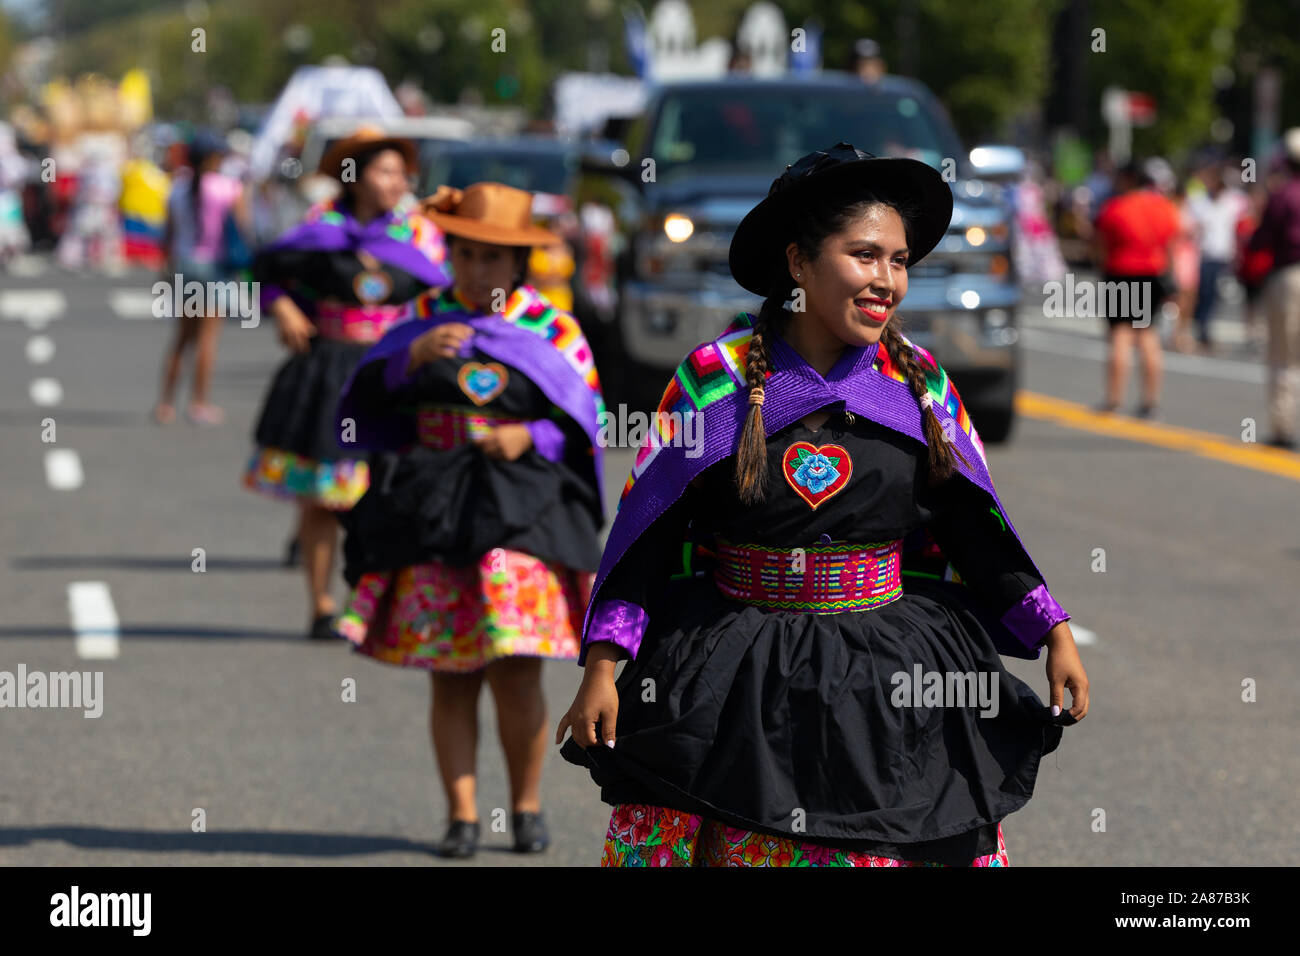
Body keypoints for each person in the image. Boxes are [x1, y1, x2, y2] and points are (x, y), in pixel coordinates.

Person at [557, 143, 1089, 867]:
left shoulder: (918, 383)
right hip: (738, 671)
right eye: (865, 255)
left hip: (886, 672)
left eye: (900, 261)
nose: (888, 281)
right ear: (799, 263)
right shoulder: (714, 380)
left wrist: (1050, 627)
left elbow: (974, 528)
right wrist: (602, 667)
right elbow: (650, 532)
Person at [332, 181, 607, 858]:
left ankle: (526, 805)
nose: (478, 271)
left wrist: (530, 438)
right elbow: (363, 403)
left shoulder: (554, 330)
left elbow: (587, 424)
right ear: (449, 254)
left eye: (494, 259)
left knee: (515, 664)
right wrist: (410, 361)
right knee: (450, 668)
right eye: (466, 255)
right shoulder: (418, 318)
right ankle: (459, 816)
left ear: (518, 266)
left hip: (521, 510)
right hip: (434, 506)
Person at [242, 127, 452, 639]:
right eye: (385, 171)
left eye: (402, 173)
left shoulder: (413, 238)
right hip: (330, 369)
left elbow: (448, 288)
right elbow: (266, 270)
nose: (397, 181)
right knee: (321, 496)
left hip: (391, 373)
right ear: (354, 179)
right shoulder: (321, 231)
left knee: (379, 494)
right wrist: (284, 307)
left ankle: (370, 603)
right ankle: (320, 603)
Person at [154, 132, 249, 426]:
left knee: (181, 339)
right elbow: (243, 231)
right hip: (215, 267)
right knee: (207, 340)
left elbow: (168, 236)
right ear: (213, 158)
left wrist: (166, 271)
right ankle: (199, 403)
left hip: (185, 265)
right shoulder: (229, 188)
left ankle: (166, 404)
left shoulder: (178, 189)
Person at [1092, 160, 1180, 418]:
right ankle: (1151, 401)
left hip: (1122, 272)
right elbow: (1172, 243)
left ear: (1128, 179)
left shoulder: (1117, 207)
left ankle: (1114, 399)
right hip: (1154, 272)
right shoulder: (1164, 207)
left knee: (1121, 334)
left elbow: (1100, 243)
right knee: (1148, 334)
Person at [1249, 128, 1300, 450]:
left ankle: (1282, 428)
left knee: (1284, 357)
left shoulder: (1284, 194)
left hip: (1290, 275)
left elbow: (1260, 240)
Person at [1187, 161, 1249, 353]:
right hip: (1203, 254)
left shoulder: (1231, 203)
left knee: (1214, 295)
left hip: (1222, 255)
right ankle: (1201, 328)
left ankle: (1204, 328)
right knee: (1203, 293)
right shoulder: (1199, 201)